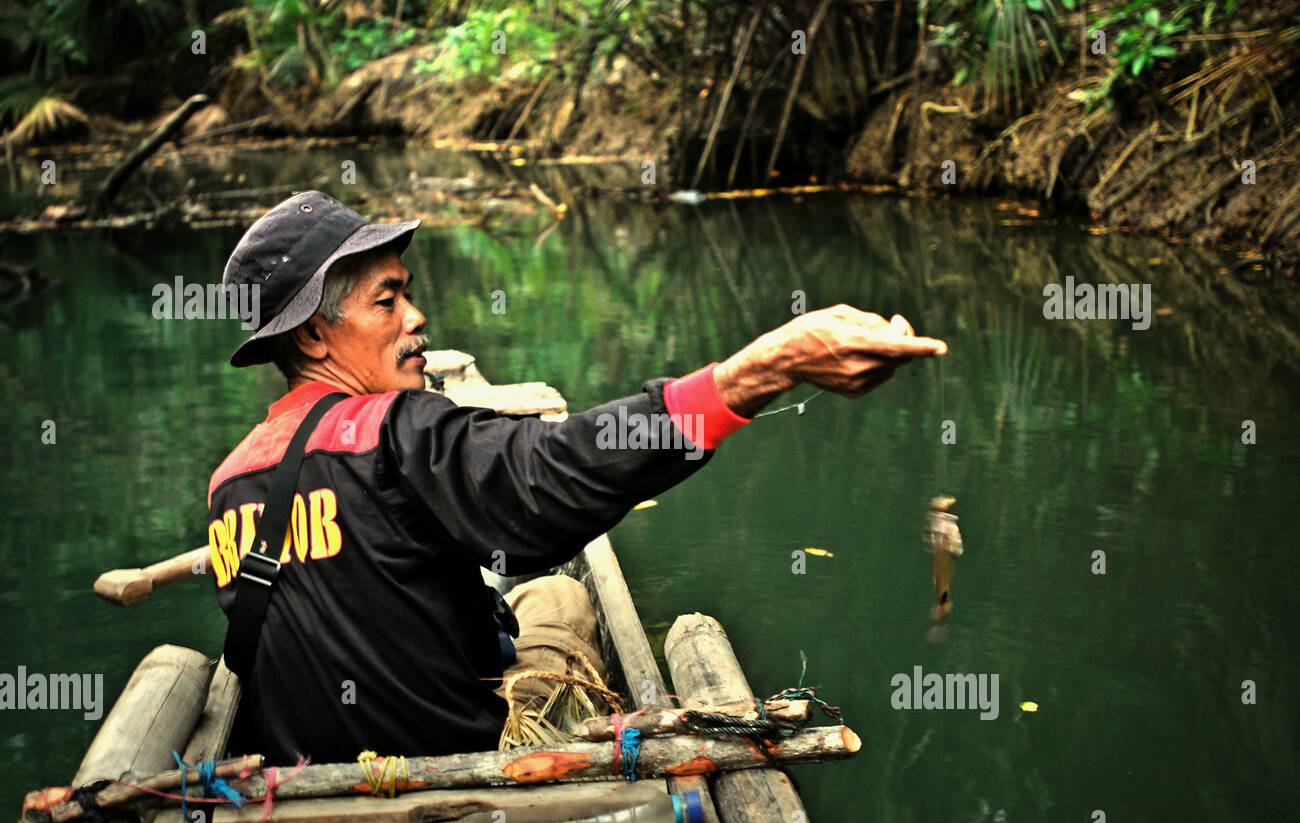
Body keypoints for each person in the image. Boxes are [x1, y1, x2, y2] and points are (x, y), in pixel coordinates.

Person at [209, 191, 947, 764]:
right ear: (311, 333)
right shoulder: (400, 428)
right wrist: (763, 369)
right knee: (558, 591)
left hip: (307, 778)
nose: (417, 315)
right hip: (449, 773)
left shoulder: (229, 483)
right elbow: (550, 478)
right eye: (388, 300)